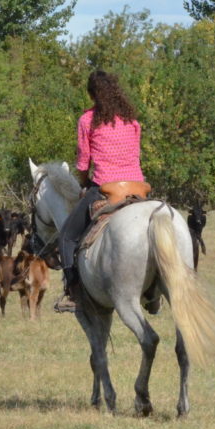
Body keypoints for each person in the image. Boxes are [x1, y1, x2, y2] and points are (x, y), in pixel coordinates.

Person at [53, 70, 146, 313]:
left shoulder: (87, 120)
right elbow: (136, 155)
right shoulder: (132, 121)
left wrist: (84, 183)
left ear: (92, 94)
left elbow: (83, 163)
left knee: (67, 237)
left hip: (106, 187)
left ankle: (73, 292)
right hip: (138, 187)